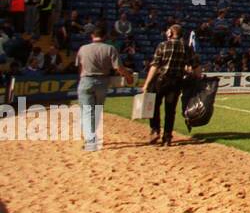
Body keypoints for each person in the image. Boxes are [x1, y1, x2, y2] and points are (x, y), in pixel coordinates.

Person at [139, 24, 195, 146]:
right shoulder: (187, 47)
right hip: (176, 82)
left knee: (154, 106)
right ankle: (167, 136)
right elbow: (195, 66)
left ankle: (155, 130)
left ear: (170, 33)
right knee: (170, 110)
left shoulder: (163, 45)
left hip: (161, 80)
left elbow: (155, 65)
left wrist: (147, 83)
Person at [75, 24, 128, 152]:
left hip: (86, 80)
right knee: (97, 111)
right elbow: (118, 68)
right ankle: (92, 137)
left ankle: (90, 140)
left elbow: (79, 67)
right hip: (103, 81)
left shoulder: (83, 48)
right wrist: (128, 76)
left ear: (92, 35)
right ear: (105, 36)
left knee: (87, 112)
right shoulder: (110, 48)